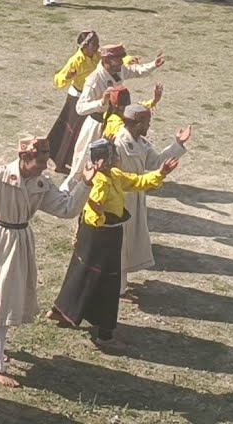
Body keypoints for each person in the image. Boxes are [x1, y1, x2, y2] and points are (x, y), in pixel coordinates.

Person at [0, 139, 91, 387]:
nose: (43, 166)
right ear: (24, 156)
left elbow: (66, 208)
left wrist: (86, 184)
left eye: (45, 160)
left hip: (20, 242)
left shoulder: (42, 183)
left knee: (3, 297)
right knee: (0, 302)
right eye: (39, 160)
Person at [48, 143, 178, 351]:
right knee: (107, 284)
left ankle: (63, 310)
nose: (118, 156)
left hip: (100, 235)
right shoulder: (99, 183)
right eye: (114, 154)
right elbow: (91, 213)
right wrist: (98, 214)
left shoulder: (115, 174)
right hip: (102, 237)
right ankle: (104, 335)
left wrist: (160, 173)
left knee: (80, 273)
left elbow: (136, 181)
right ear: (105, 160)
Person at [114, 105, 191, 298]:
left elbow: (155, 162)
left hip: (136, 198)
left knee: (131, 241)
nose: (149, 125)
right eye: (147, 122)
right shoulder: (118, 144)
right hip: (121, 201)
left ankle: (121, 283)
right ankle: (117, 287)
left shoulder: (141, 142)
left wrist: (177, 145)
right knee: (120, 244)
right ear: (139, 123)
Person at [65, 44, 164, 179]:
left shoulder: (119, 70)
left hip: (115, 123)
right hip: (96, 125)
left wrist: (153, 65)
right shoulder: (94, 80)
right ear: (107, 61)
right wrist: (101, 102)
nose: (121, 62)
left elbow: (136, 71)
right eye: (118, 59)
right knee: (82, 162)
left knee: (112, 162)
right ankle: (69, 194)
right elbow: (80, 108)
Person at [46, 30, 101, 174]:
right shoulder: (76, 61)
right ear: (85, 46)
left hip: (90, 97)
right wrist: (68, 77)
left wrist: (128, 60)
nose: (97, 47)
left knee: (80, 132)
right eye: (94, 44)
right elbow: (58, 80)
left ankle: (69, 160)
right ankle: (60, 162)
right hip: (77, 99)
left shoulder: (97, 56)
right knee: (71, 132)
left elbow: (111, 59)